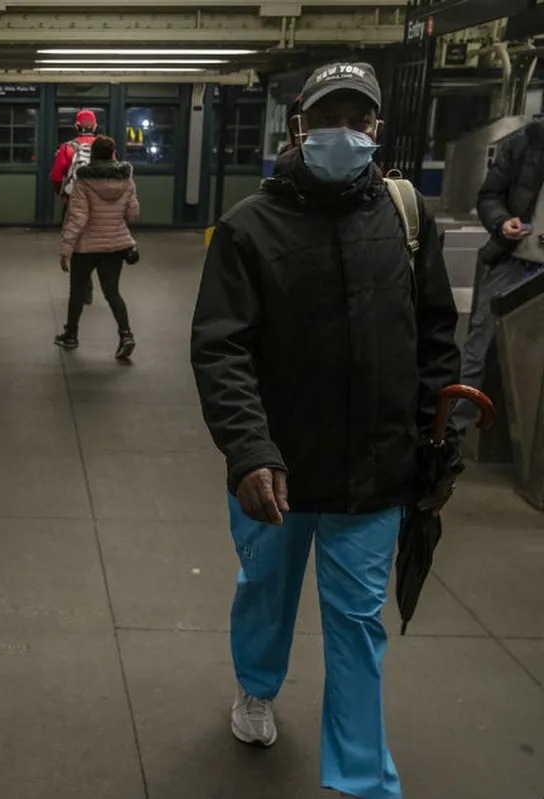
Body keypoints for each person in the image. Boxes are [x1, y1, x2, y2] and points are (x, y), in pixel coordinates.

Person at [190, 62, 461, 799]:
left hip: (374, 472)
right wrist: (247, 448)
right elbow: (222, 347)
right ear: (299, 127)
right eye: (330, 117)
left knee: (356, 625)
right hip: (275, 470)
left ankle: (364, 780)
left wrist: (439, 442)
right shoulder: (249, 229)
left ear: (375, 129)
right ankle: (256, 686)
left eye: (359, 119)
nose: (345, 131)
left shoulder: (405, 220)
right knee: (266, 593)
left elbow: (436, 333)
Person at [455, 119, 544, 430]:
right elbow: (490, 195)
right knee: (479, 344)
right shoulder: (525, 143)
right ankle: (459, 428)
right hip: (513, 262)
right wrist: (502, 222)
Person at [55, 135, 139, 361]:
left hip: (86, 247)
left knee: (77, 291)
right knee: (112, 292)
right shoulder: (127, 180)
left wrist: (66, 248)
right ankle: (126, 335)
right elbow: (132, 213)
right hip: (116, 246)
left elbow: (78, 218)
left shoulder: (84, 181)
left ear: (92, 155)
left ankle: (71, 335)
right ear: (113, 154)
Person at [51, 108, 100, 304]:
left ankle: (81, 289)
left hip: (74, 204)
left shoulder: (67, 148)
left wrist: (62, 194)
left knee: (76, 245)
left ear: (76, 126)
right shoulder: (105, 147)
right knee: (97, 245)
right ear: (95, 126)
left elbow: (55, 176)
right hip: (98, 206)